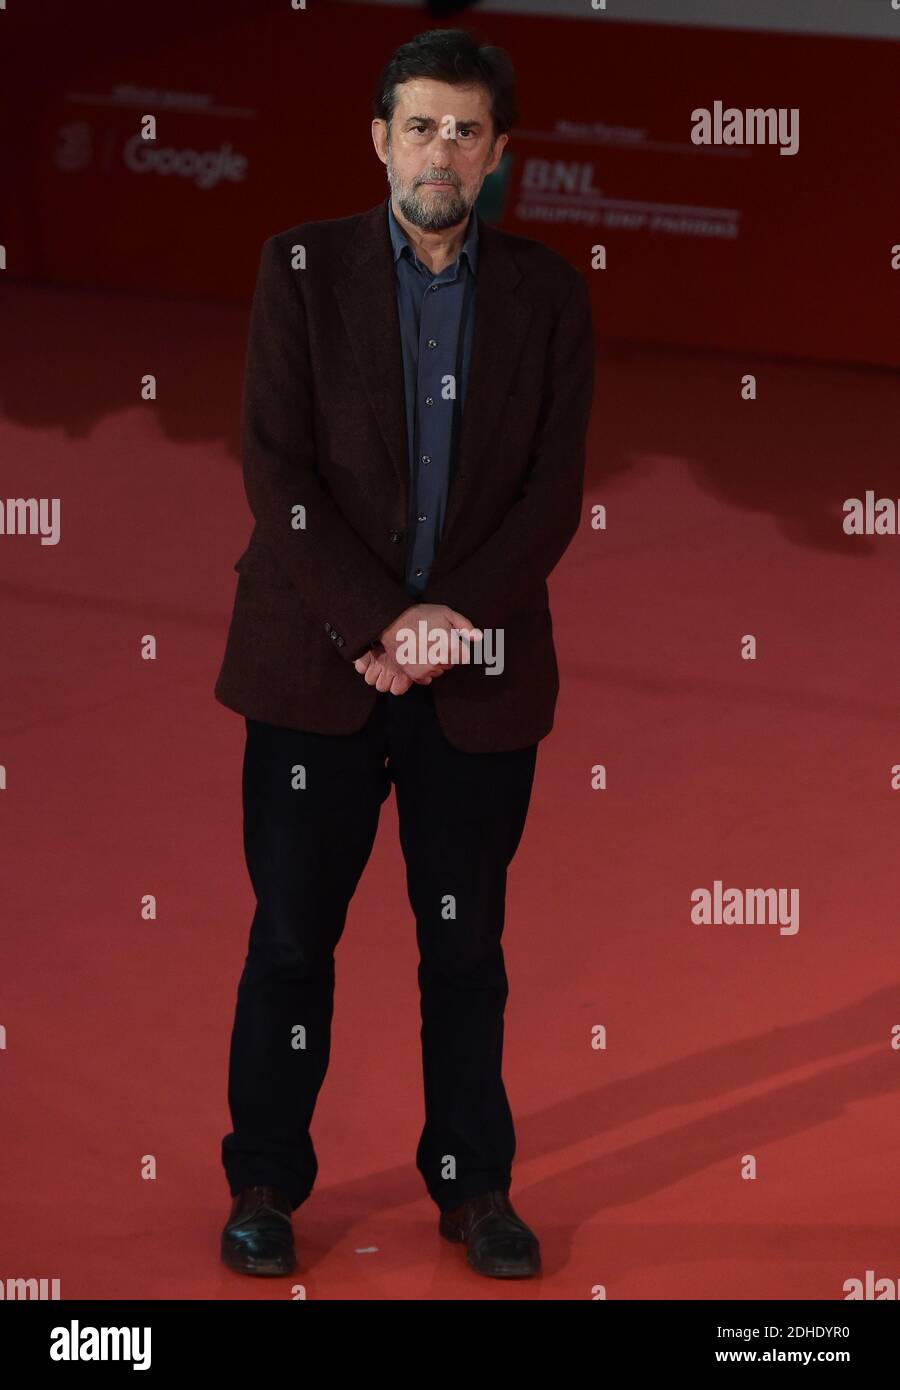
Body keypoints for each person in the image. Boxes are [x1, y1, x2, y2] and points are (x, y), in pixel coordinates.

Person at [214, 27, 595, 1281]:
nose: (444, 151)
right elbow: (277, 468)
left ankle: (473, 1188)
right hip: (316, 669)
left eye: (467, 132)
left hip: (475, 683)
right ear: (380, 137)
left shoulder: (547, 292)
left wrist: (443, 628)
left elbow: (551, 492)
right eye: (421, 126)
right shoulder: (302, 267)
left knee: (463, 950)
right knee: (289, 939)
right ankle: (263, 1180)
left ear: (498, 154)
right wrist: (378, 621)